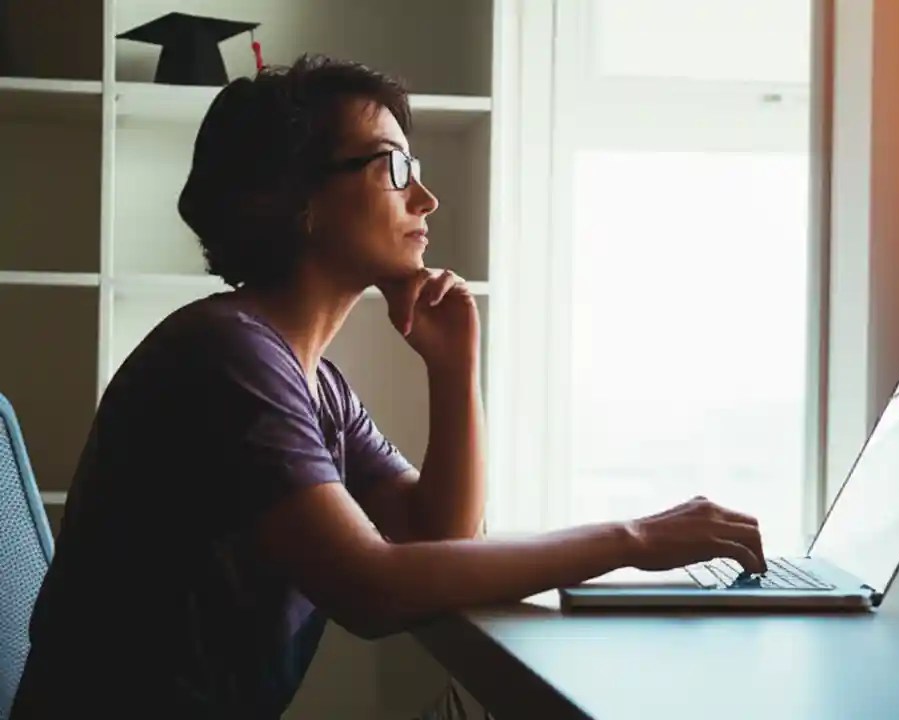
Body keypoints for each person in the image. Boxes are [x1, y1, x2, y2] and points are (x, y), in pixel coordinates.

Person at [10, 54, 766, 719]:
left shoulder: (311, 383)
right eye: (393, 167)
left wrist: (452, 367)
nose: (425, 200)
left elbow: (440, 538)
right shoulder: (227, 356)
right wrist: (632, 539)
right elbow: (372, 590)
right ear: (297, 198)